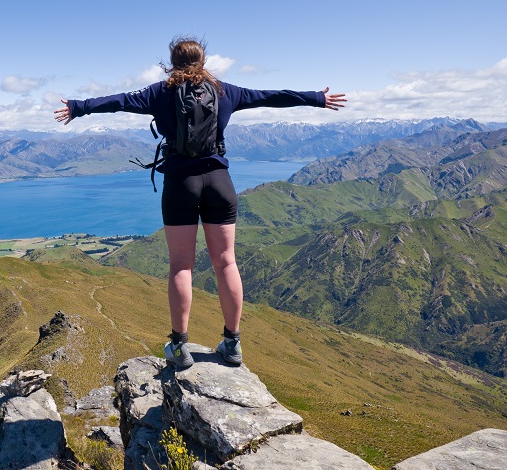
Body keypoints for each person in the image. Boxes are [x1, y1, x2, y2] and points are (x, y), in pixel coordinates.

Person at [54, 37, 346, 368]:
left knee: (181, 266)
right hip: (219, 183)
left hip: (181, 183)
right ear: (203, 60)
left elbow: (119, 101)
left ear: (172, 61)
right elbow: (271, 96)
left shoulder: (159, 92)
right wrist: (317, 99)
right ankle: (232, 344)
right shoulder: (225, 91)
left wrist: (78, 107)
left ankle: (179, 347)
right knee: (226, 263)